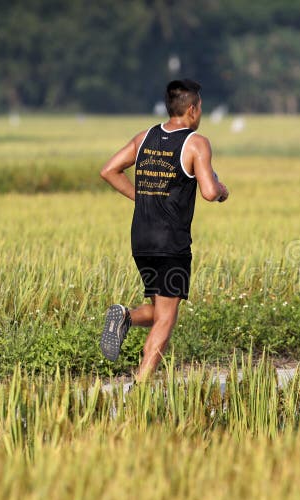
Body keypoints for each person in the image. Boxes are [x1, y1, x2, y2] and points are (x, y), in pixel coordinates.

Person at [98, 79, 229, 383]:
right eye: (201, 109)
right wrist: (222, 190)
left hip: (141, 240)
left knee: (159, 310)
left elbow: (108, 170)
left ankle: (126, 316)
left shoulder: (145, 137)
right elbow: (209, 192)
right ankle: (141, 386)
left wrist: (141, 198)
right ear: (193, 109)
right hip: (171, 244)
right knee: (167, 319)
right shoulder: (196, 143)